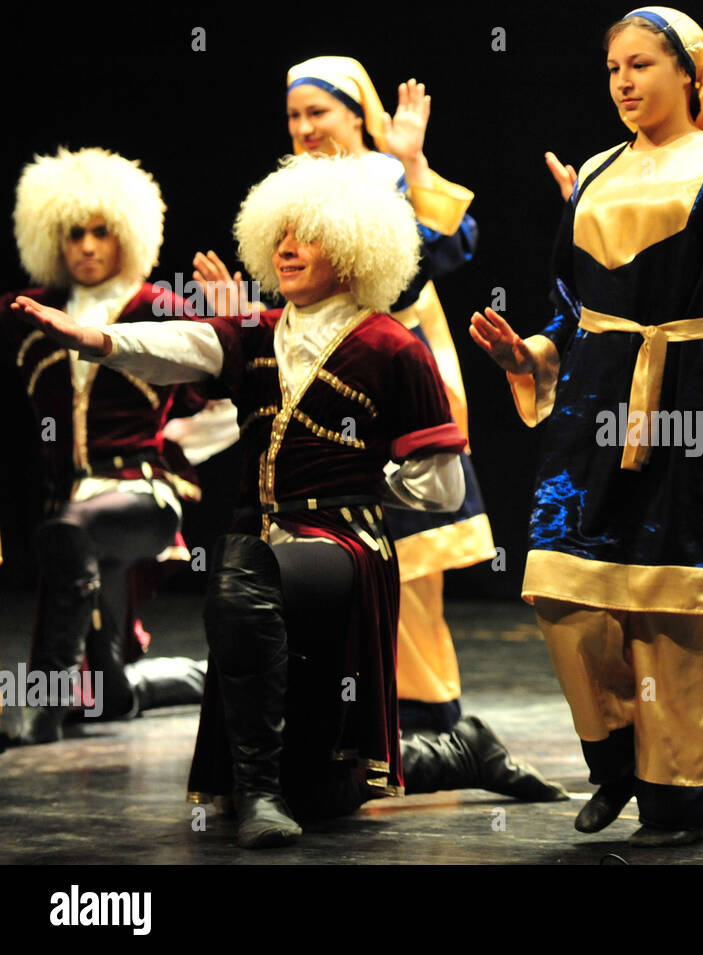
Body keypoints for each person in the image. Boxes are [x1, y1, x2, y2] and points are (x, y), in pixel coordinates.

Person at [12, 154, 562, 849]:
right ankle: (460, 752)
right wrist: (91, 338)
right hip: (263, 536)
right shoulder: (256, 332)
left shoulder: (392, 346)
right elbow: (176, 345)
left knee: (243, 584)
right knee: (327, 790)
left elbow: (443, 484)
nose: (287, 245)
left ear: (356, 244)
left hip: (346, 544)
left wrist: (367, 486)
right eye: (280, 233)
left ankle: (258, 792)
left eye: (310, 232)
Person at [471, 7, 703, 846]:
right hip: (594, 394)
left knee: (683, 600)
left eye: (642, 65)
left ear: (690, 72)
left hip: (689, 387)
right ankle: (617, 756)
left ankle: (678, 798)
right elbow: (570, 296)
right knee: (563, 586)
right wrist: (536, 352)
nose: (624, 81)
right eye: (613, 68)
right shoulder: (595, 169)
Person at [193, 55, 495, 736]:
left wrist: (412, 166)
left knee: (411, 547)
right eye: (294, 114)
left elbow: (442, 254)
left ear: (358, 113)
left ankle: (424, 713)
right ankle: (349, 715)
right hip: (322, 375)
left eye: (318, 112)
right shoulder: (296, 191)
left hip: (389, 372)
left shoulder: (384, 176)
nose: (303, 127)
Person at [0, 148, 209, 747]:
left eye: (101, 232)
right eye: (73, 233)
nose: (87, 246)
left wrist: (179, 452)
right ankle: (202, 675)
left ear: (128, 235)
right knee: (108, 698)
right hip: (73, 512)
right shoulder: (26, 315)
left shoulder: (158, 310)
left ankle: (42, 706)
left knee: (68, 528)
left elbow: (223, 402)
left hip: (142, 498)